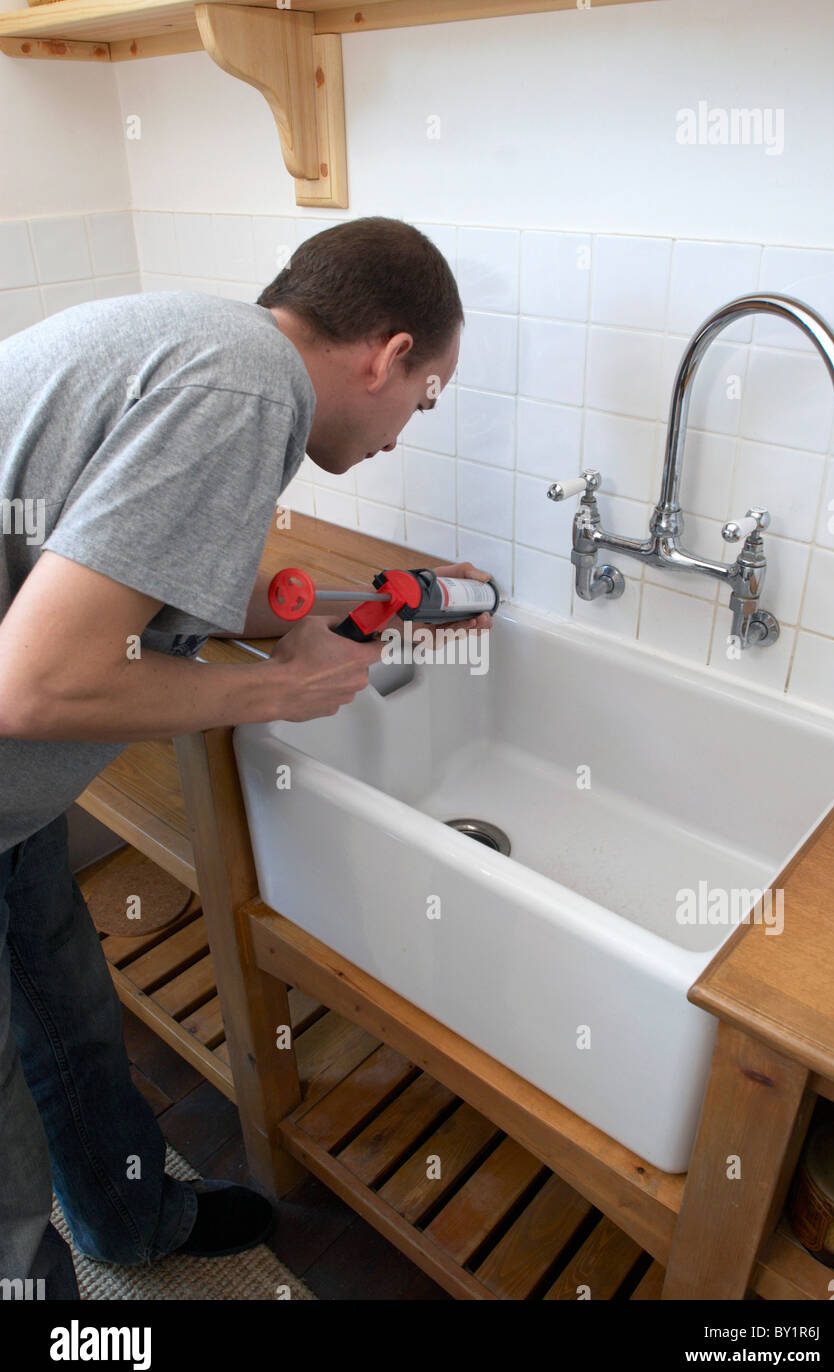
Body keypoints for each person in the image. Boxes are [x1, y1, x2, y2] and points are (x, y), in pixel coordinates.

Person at [0, 216, 492, 1299]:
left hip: (14, 815)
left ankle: (131, 1214)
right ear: (389, 353)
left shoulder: (221, 350)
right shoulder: (244, 390)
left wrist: (387, 606)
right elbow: (34, 681)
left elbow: (166, 567)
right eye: (428, 393)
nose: (410, 430)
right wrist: (278, 690)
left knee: (68, 1009)